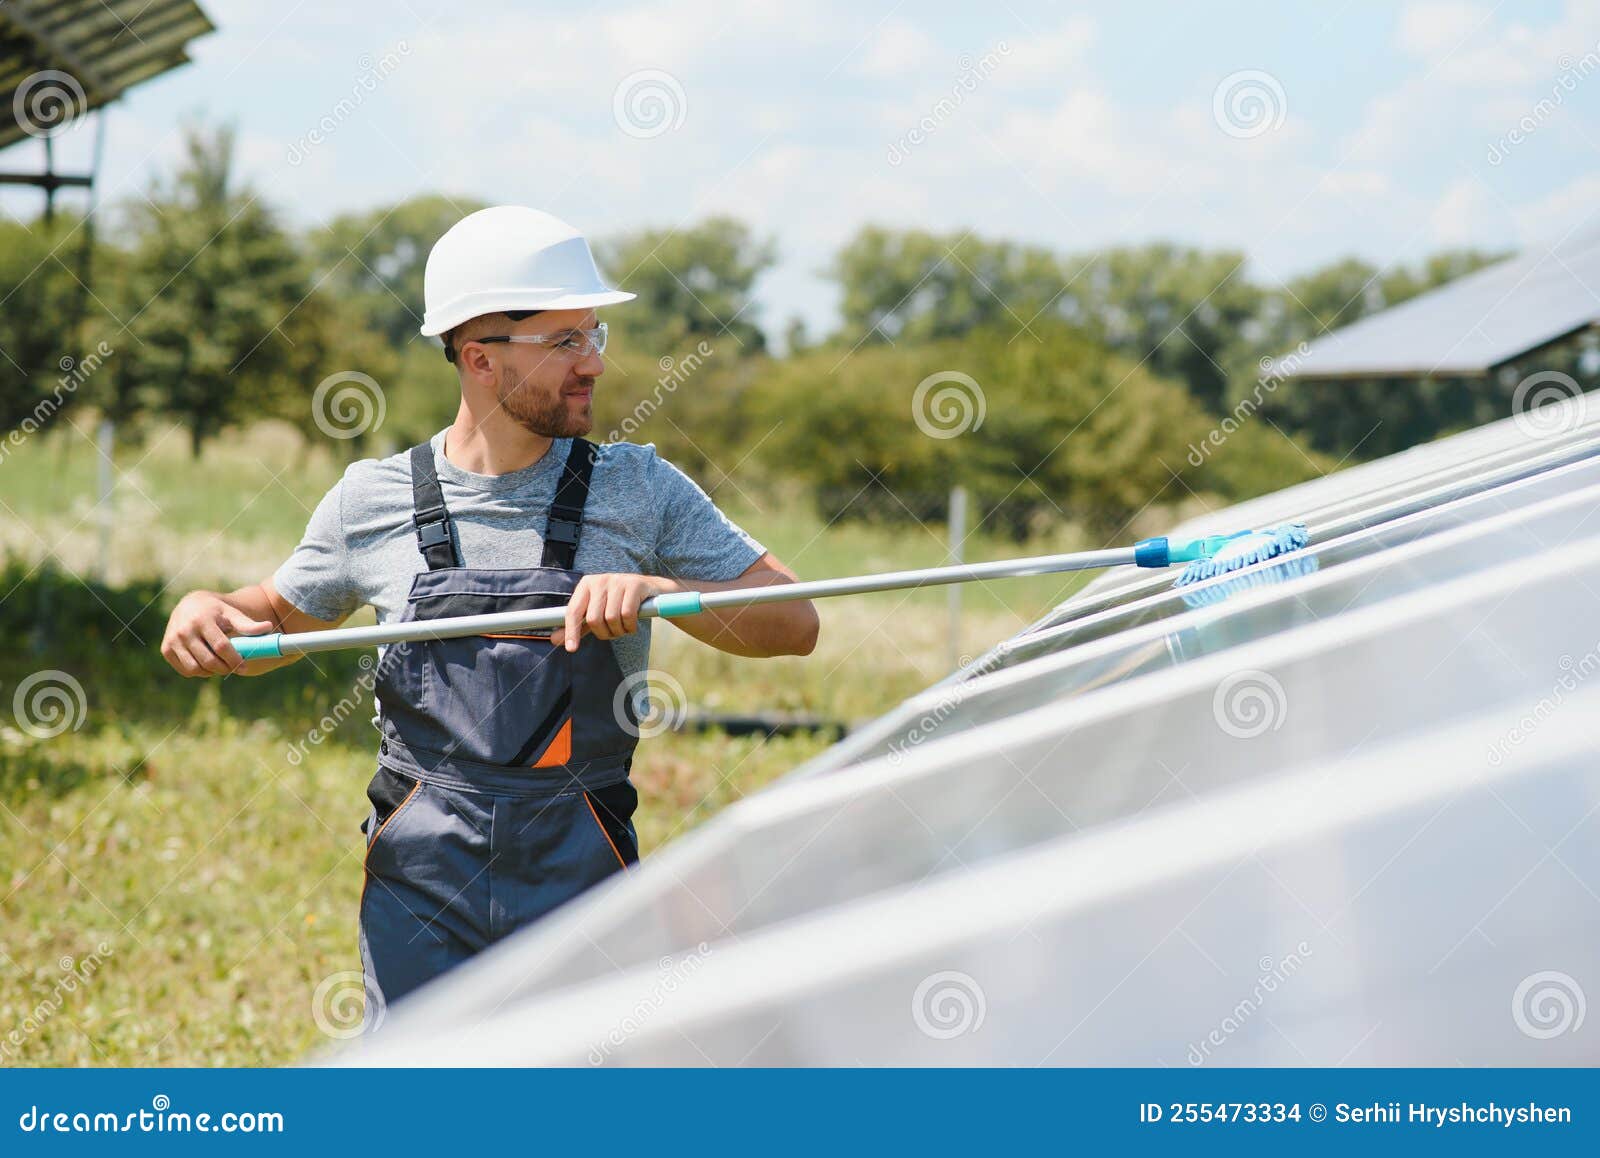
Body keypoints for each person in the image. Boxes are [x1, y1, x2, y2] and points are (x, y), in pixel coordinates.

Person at [159, 206, 818, 1028]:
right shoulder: (372, 500)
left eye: (595, 333)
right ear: (478, 357)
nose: (596, 364)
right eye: (566, 341)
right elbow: (271, 616)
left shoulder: (639, 488)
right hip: (421, 878)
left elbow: (794, 623)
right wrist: (204, 609)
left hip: (582, 866)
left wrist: (656, 591)